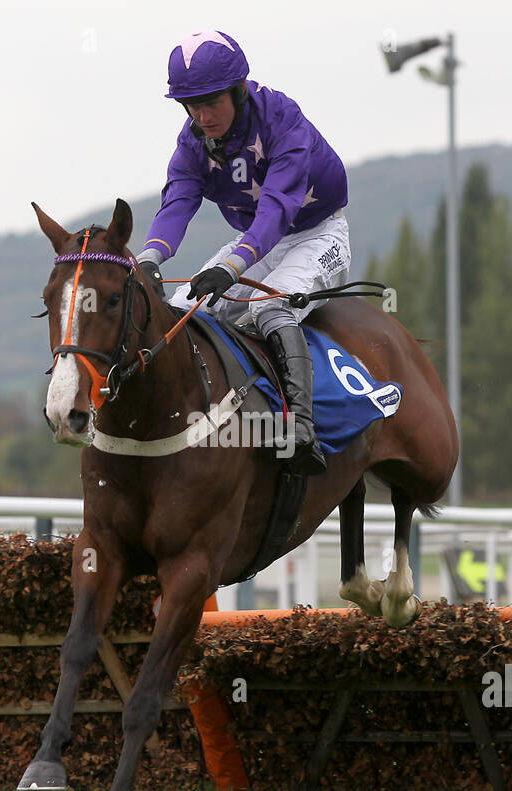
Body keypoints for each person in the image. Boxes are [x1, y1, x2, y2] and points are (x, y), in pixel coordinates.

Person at [135, 30, 351, 476]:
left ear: (237, 91)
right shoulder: (193, 140)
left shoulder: (282, 118)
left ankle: (301, 429)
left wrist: (233, 266)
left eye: (211, 102)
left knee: (271, 305)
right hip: (257, 240)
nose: (202, 115)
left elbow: (277, 208)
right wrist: (148, 261)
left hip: (317, 234)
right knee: (180, 311)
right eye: (192, 105)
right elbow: (177, 200)